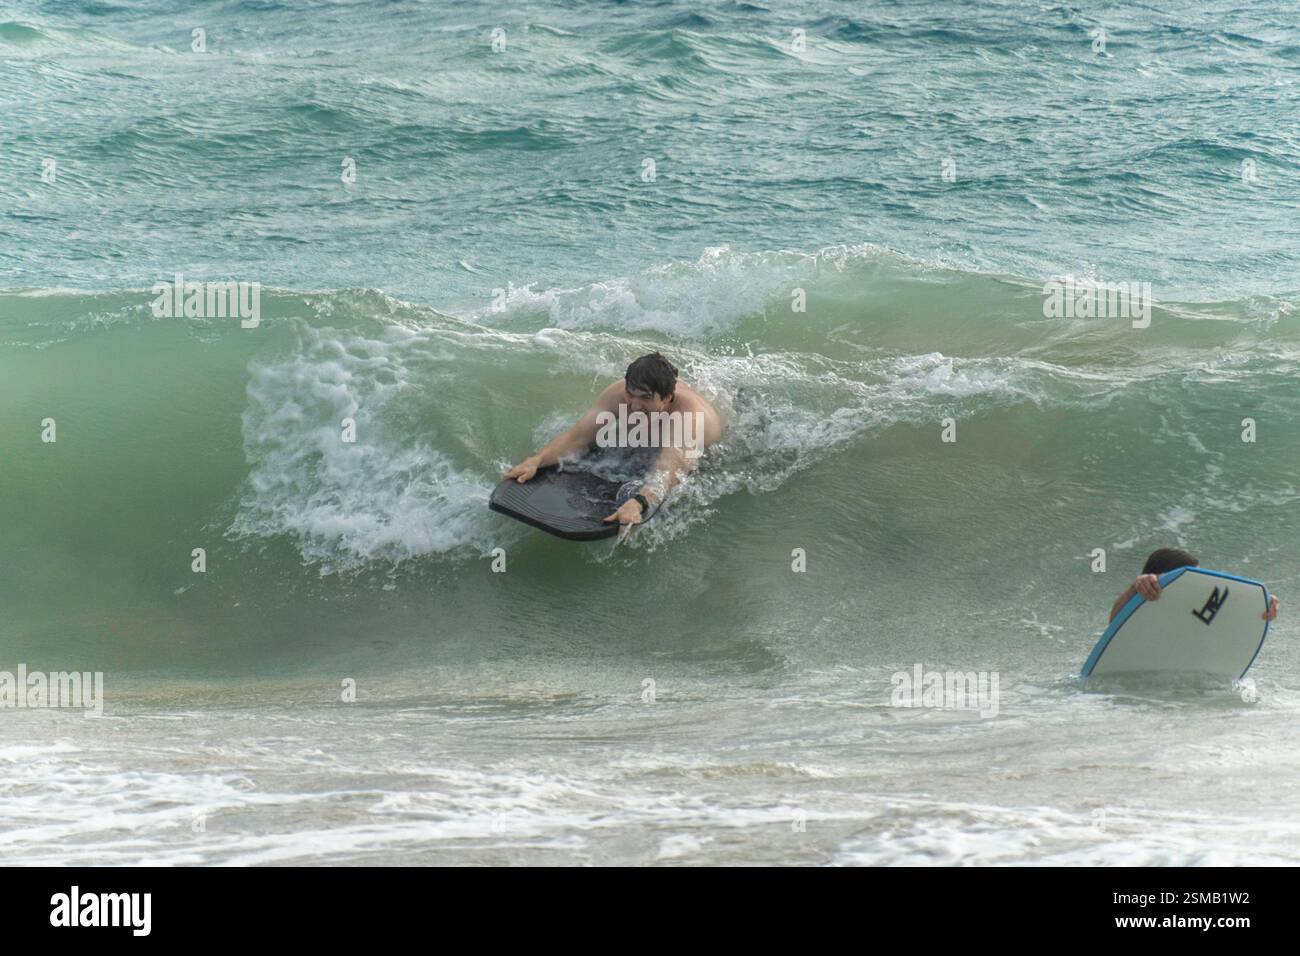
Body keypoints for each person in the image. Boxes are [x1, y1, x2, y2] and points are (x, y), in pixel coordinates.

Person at [502, 353, 723, 528]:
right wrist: (537, 460)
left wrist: (640, 502)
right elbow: (575, 437)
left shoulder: (689, 419)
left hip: (696, 452)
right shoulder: (619, 394)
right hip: (653, 432)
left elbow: (668, 471)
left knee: (677, 483)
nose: (634, 405)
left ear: (667, 399)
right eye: (631, 394)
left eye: (645, 398)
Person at [1109, 547, 1280, 622]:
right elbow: (1115, 623)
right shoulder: (1145, 615)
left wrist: (1262, 603)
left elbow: (1229, 610)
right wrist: (1136, 587)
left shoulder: (1197, 615)